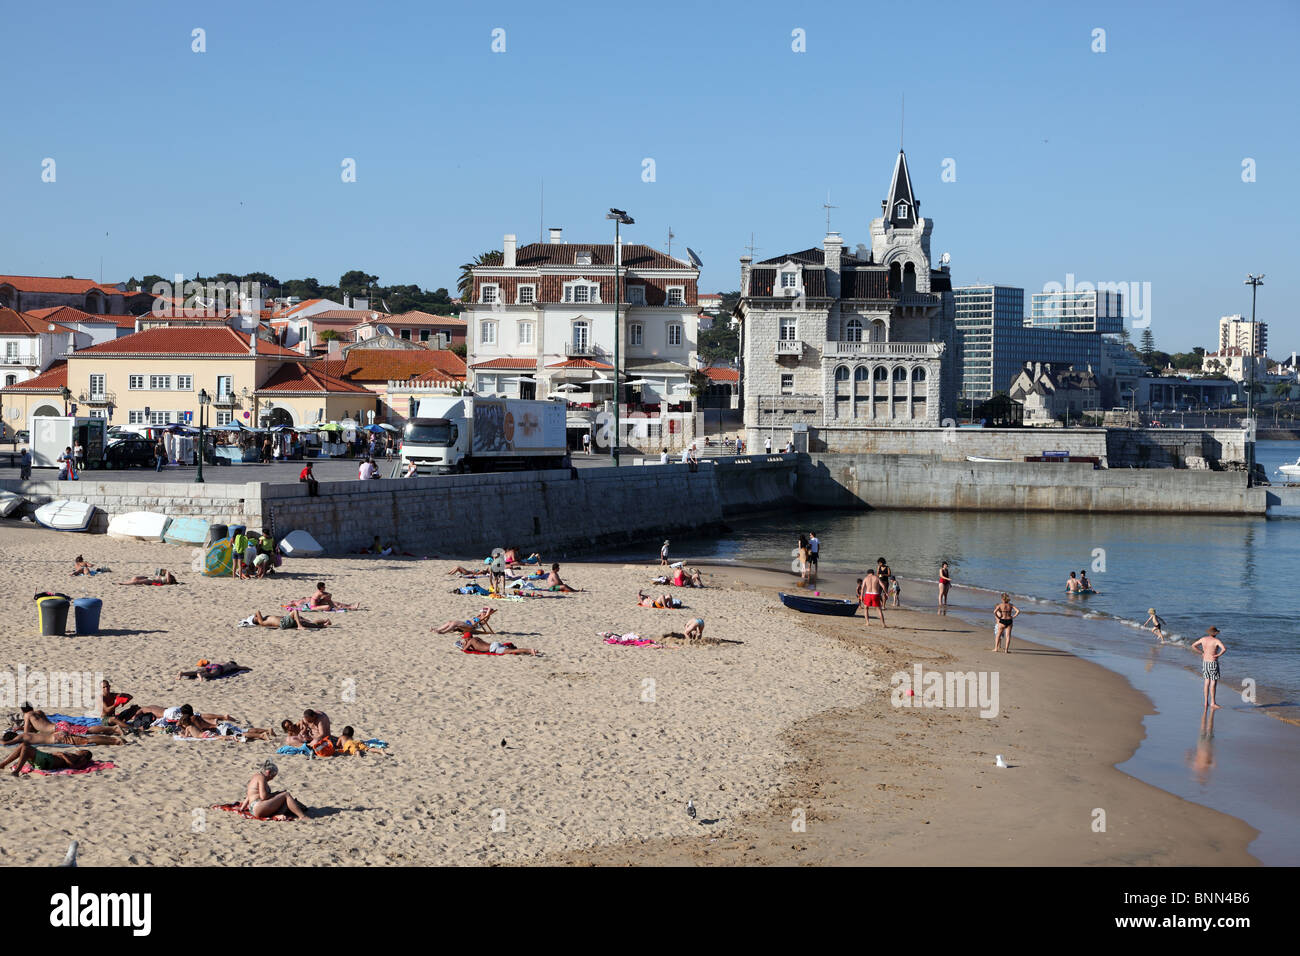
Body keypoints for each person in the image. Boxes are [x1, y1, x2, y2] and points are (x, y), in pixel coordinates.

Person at [238, 759, 310, 821]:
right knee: (286, 794)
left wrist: (242, 808)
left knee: (284, 801)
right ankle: (302, 816)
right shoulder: (262, 778)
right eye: (272, 776)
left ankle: (279, 814)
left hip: (252, 809)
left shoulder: (256, 776)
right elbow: (264, 797)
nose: (272, 778)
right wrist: (275, 794)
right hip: (258, 807)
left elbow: (249, 795)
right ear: (268, 772)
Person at [1, 742, 96, 776]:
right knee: (23, 745)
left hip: (48, 762)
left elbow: (74, 767)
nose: (78, 751)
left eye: (81, 751)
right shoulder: (77, 756)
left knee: (26, 748)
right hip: (47, 758)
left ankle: (17, 770)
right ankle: (3, 764)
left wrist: (63, 755)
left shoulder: (82, 758)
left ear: (85, 753)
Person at [1190, 626, 1226, 711]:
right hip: (1213, 662)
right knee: (1213, 682)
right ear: (1215, 633)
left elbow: (1193, 645)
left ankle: (1206, 702)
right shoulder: (1216, 641)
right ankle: (1213, 702)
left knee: (1206, 682)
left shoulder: (1203, 639)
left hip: (1205, 662)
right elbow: (1224, 649)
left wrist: (1201, 653)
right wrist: (1218, 655)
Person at [454, 633, 540, 656]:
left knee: (512, 651)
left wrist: (463, 644)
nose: (464, 640)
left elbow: (464, 649)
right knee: (511, 650)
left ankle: (530, 650)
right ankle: (531, 651)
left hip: (493, 648)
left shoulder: (470, 641)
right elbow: (478, 647)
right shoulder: (476, 638)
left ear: (467, 639)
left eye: (464, 639)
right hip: (494, 643)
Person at [250, 608, 333, 630]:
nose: (257, 617)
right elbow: (257, 611)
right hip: (283, 623)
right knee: (295, 611)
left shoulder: (265, 619)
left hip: (285, 620)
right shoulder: (261, 622)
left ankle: (325, 623)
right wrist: (254, 616)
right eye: (255, 618)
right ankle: (299, 626)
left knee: (307, 622)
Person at [177, 660, 252, 681]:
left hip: (211, 665)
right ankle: (201, 675)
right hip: (218, 668)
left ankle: (183, 673)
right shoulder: (233, 665)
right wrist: (248, 668)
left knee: (196, 671)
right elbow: (242, 667)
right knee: (212, 674)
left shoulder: (223, 662)